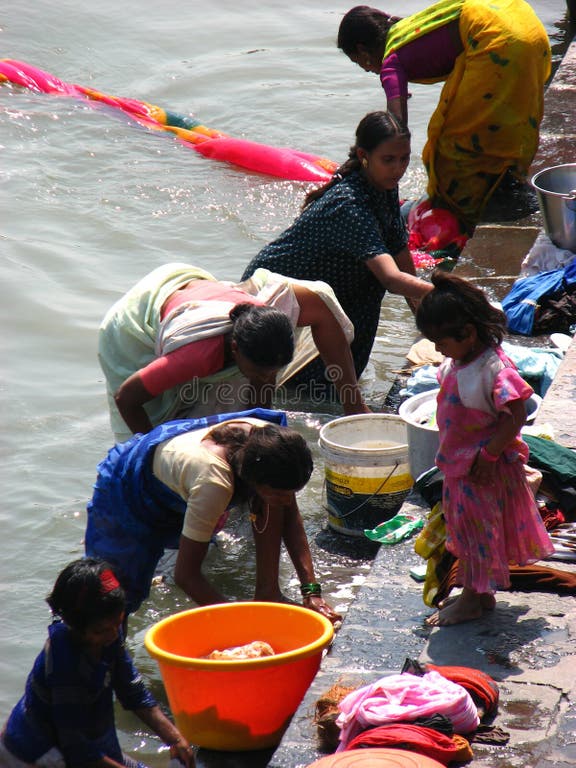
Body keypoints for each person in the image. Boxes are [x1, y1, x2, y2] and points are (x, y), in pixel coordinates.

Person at [85, 408, 341, 625]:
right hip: (129, 485)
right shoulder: (214, 483)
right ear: (252, 481)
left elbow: (288, 513)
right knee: (116, 597)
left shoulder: (271, 444)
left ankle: (268, 593)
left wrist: (311, 591)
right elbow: (186, 575)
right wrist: (241, 627)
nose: (287, 501)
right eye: (279, 493)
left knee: (274, 504)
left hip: (182, 470)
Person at [242, 111, 431, 384]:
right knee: (307, 389)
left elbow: (400, 253)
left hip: (339, 288)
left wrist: (426, 320)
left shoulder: (384, 186)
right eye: (388, 160)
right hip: (279, 293)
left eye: (404, 159)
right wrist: (447, 293)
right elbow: (390, 278)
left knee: (342, 375)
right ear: (364, 156)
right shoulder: (349, 204)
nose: (398, 169)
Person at [415, 271, 554, 626]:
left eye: (440, 340)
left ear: (468, 333)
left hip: (480, 467)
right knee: (469, 530)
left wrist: (489, 454)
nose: (437, 348)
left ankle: (471, 600)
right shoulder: (463, 360)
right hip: (461, 466)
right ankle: (482, 594)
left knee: (474, 533)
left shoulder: (493, 368)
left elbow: (517, 412)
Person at [337, 2, 551, 232]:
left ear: (362, 51)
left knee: (448, 148)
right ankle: (503, 186)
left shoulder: (391, 60)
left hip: (498, 40)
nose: (365, 69)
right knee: (503, 119)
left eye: (356, 61)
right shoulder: (409, 28)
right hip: (525, 25)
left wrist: (368, 171)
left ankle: (468, 210)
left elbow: (395, 133)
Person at [99, 263, 367, 443]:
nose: (268, 378)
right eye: (261, 371)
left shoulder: (266, 318)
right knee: (166, 426)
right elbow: (127, 397)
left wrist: (257, 431)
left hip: (188, 286)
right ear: (235, 349)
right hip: (130, 325)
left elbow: (319, 309)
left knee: (315, 297)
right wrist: (152, 451)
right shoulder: (198, 356)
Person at [0, 558, 194, 768]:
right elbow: (78, 751)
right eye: (100, 631)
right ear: (75, 626)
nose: (112, 635)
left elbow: (131, 690)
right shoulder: (65, 665)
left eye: (118, 623)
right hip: (37, 753)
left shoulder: (108, 632)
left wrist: (174, 738)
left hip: (89, 740)